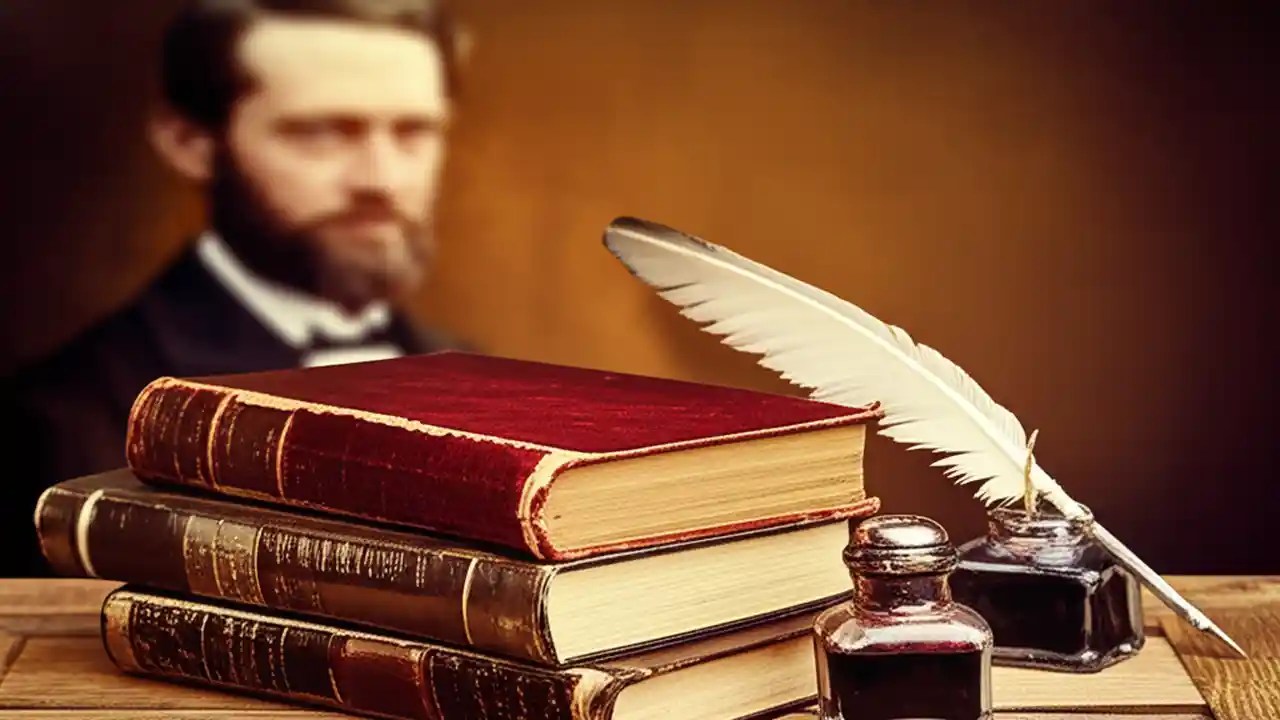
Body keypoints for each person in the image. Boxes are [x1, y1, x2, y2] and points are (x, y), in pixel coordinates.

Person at [1, 0, 468, 577]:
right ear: (189, 143)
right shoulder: (62, 422)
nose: (382, 179)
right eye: (321, 132)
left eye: (413, 132)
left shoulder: (474, 377)